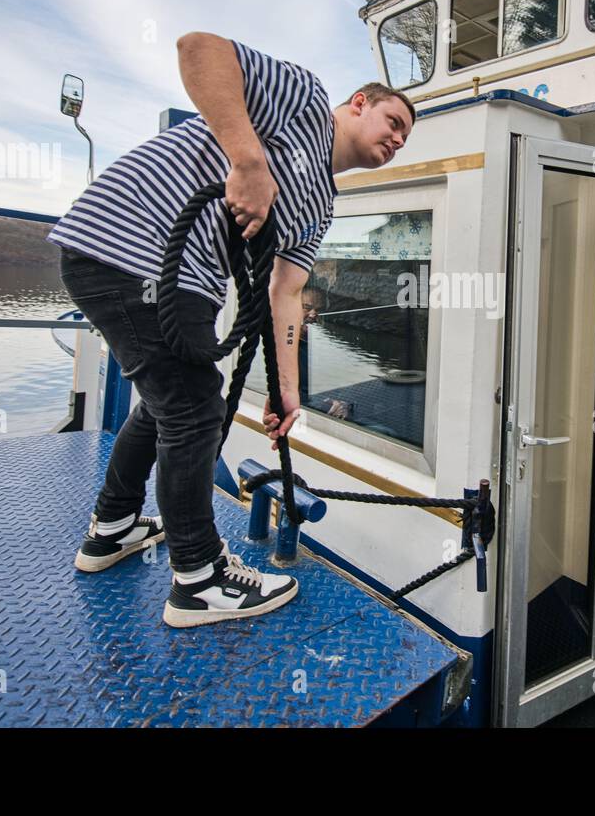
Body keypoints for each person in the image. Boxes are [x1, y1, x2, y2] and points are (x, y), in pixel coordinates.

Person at [48, 33, 414, 627]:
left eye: (404, 138)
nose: (397, 139)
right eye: (393, 121)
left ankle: (112, 527)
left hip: (179, 281)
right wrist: (247, 163)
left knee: (168, 403)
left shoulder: (319, 206)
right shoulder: (302, 100)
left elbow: (285, 295)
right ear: (357, 104)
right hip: (130, 249)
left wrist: (287, 390)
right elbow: (199, 49)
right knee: (195, 410)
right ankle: (200, 579)